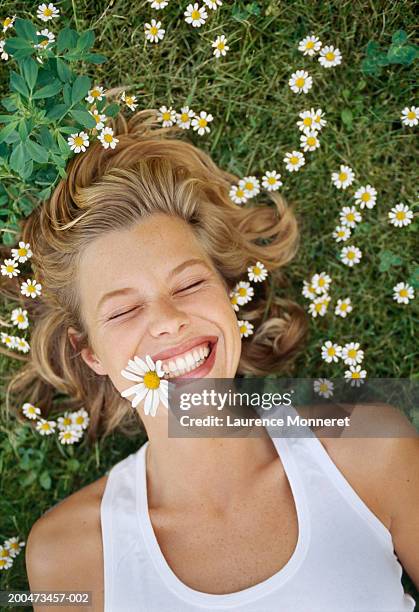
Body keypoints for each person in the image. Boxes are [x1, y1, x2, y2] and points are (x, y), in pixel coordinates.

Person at [3, 108, 417, 610]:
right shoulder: (68, 554)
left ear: (228, 294)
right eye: (126, 309)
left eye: (190, 283)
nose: (168, 321)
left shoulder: (367, 450)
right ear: (91, 354)